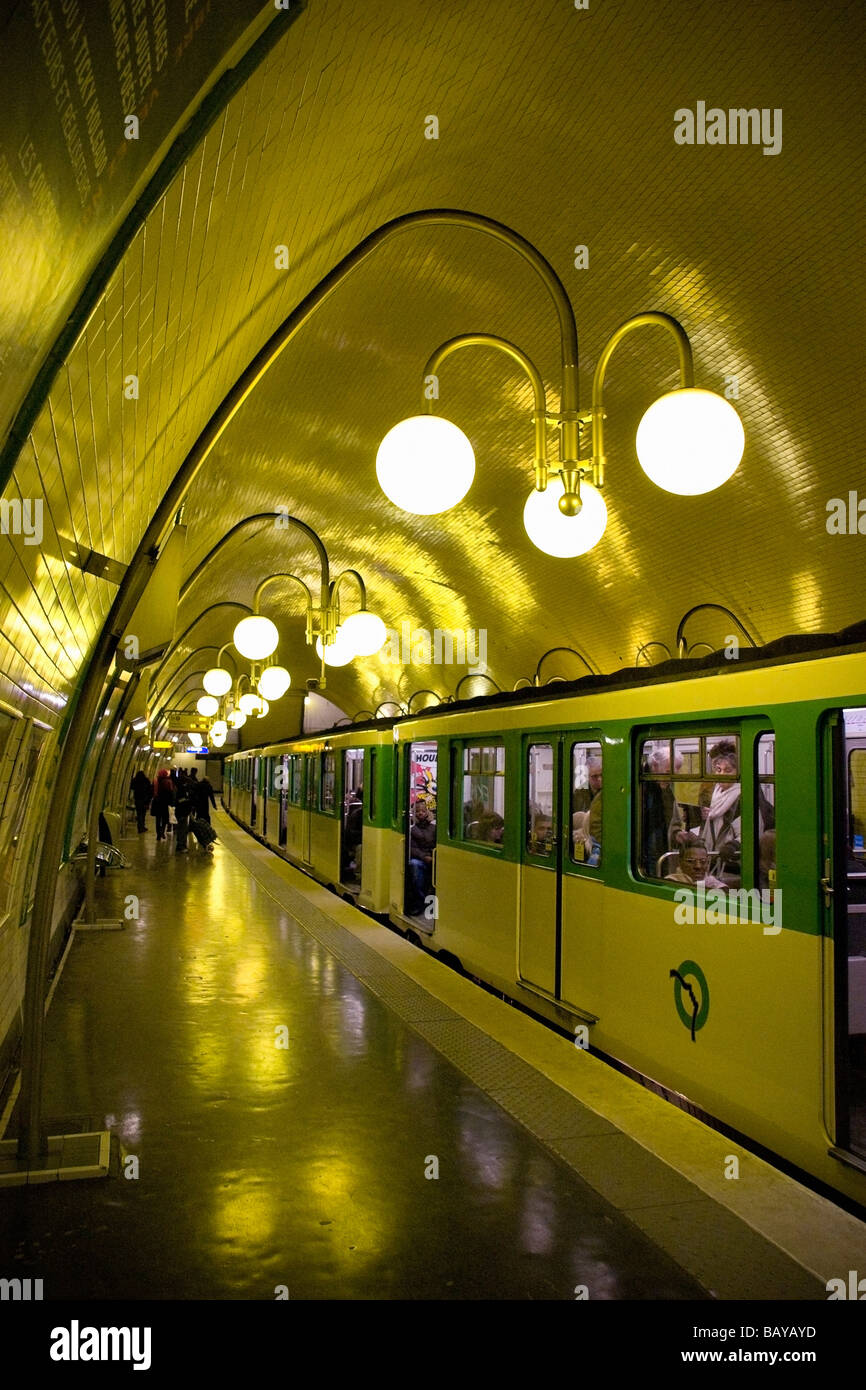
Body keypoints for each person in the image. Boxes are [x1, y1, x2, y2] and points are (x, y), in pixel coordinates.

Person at [701, 740, 741, 873]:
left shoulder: (741, 796)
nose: (722, 774)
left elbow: (747, 833)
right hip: (712, 859)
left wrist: (732, 846)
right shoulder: (715, 792)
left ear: (737, 772)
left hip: (731, 863)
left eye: (728, 770)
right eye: (718, 770)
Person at [407, 796, 436, 914]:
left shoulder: (434, 828)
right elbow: (412, 848)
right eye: (417, 811)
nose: (420, 813)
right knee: (414, 865)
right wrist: (425, 857)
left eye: (423, 811)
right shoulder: (412, 829)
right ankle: (420, 901)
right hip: (420, 859)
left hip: (433, 857)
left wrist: (433, 857)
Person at [153, 768, 175, 841]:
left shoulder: (155, 781)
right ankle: (162, 831)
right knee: (165, 818)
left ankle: (158, 834)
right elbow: (171, 793)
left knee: (158, 819)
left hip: (157, 802)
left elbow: (152, 791)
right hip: (165, 803)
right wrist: (172, 803)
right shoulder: (168, 781)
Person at [174, 769, 192, 853]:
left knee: (182, 829)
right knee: (182, 829)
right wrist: (187, 800)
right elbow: (179, 801)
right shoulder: (181, 791)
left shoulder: (180, 789)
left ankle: (180, 845)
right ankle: (181, 846)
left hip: (181, 812)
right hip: (182, 812)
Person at [131, 769, 153, 833]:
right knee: (143, 814)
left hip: (137, 799)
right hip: (145, 800)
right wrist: (149, 800)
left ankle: (139, 827)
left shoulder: (135, 780)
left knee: (139, 813)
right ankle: (142, 826)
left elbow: (132, 787)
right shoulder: (146, 780)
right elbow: (150, 791)